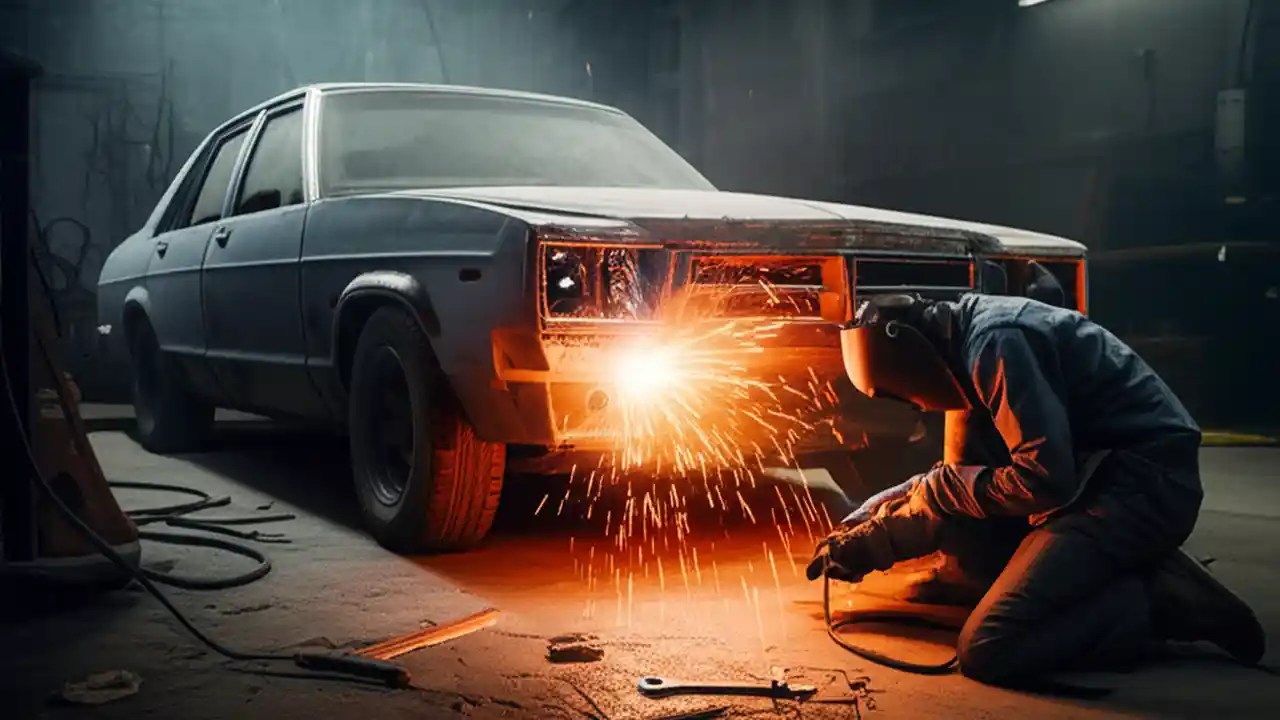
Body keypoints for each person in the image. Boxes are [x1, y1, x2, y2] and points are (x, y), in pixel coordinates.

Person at [807, 292, 1265, 687]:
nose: (913, 406)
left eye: (905, 395)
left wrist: (927, 497)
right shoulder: (962, 338)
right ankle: (1109, 571)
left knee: (990, 647)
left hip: (1139, 487)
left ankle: (1160, 600)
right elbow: (954, 481)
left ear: (912, 359)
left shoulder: (996, 344)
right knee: (978, 559)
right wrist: (872, 531)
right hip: (1094, 478)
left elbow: (1042, 479)